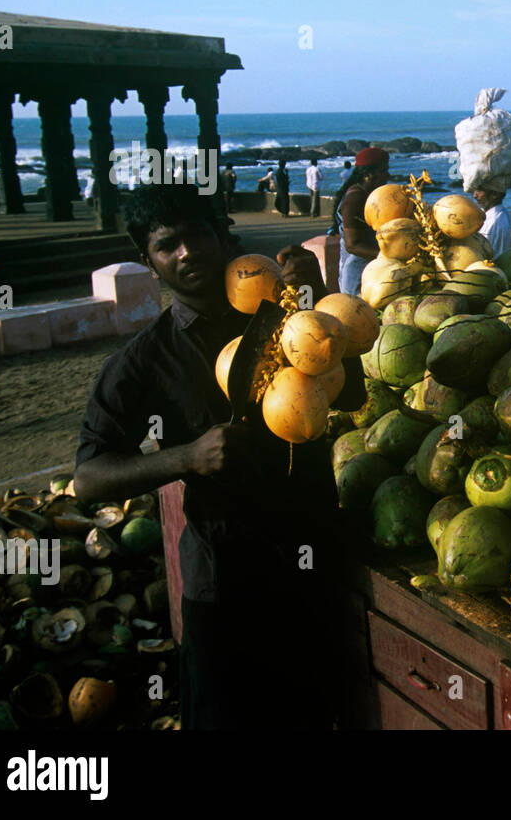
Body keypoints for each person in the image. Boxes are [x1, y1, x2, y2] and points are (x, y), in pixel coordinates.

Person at [72, 185, 366, 729]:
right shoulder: (143, 363)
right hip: (226, 583)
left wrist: (317, 300)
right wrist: (186, 457)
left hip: (314, 561)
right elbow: (89, 479)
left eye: (196, 235)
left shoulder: (283, 318)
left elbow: (352, 397)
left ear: (221, 234)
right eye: (167, 245)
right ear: (149, 261)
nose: (187, 253)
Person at [333, 147, 390, 295]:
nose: (387, 176)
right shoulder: (355, 198)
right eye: (383, 171)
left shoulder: (368, 195)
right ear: (368, 174)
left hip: (370, 271)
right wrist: (389, 257)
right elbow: (352, 245)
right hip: (357, 276)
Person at [472, 184, 511, 255]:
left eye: (479, 190)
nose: (474, 195)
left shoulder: (493, 222)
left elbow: (484, 253)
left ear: (494, 195)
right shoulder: (504, 213)